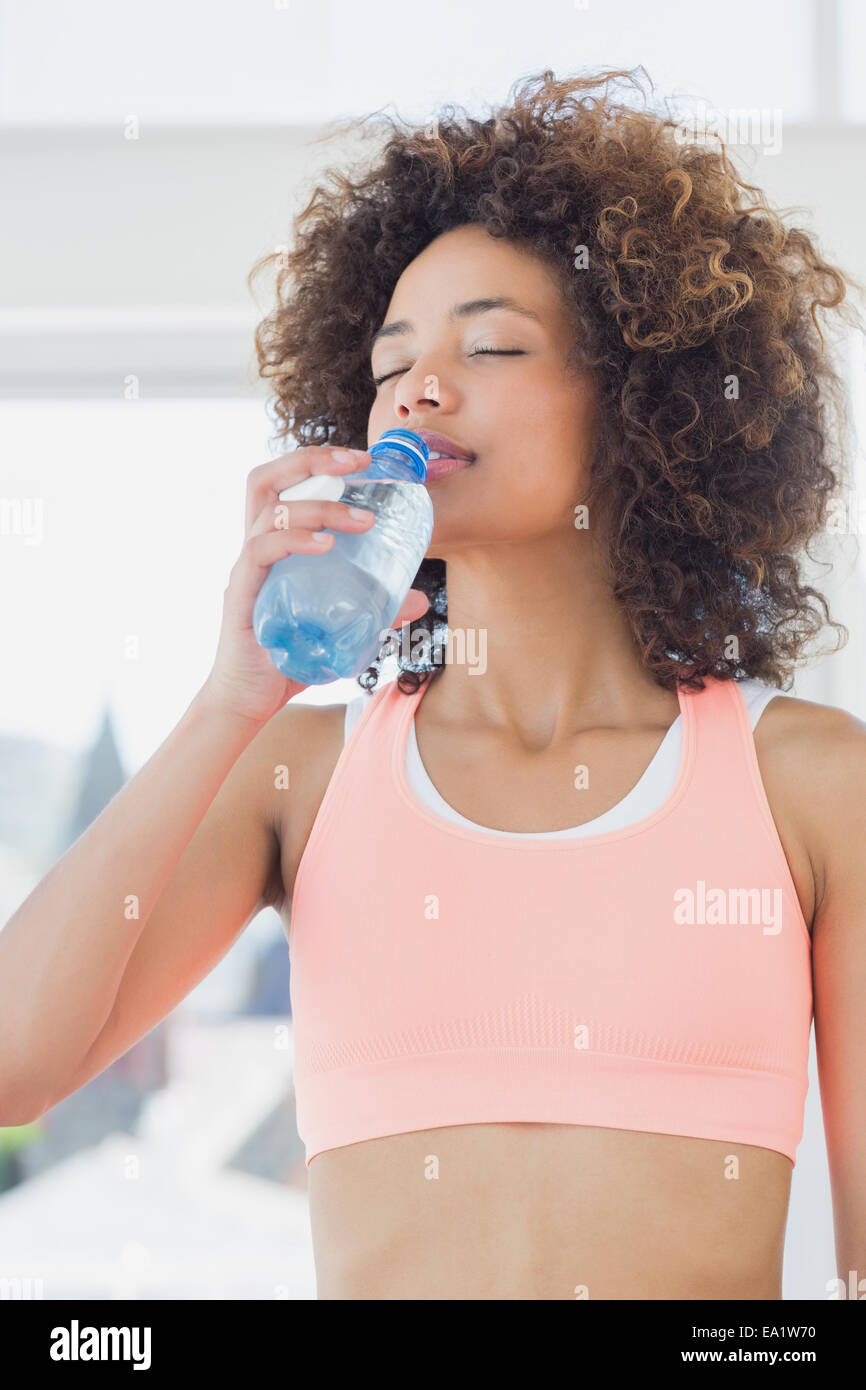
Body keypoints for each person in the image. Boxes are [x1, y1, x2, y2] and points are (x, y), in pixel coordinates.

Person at [2, 68, 864, 1301]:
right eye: (390, 357)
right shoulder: (294, 772)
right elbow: (13, 1065)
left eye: (493, 344)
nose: (418, 386)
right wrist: (226, 699)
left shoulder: (813, 782)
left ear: (643, 399)